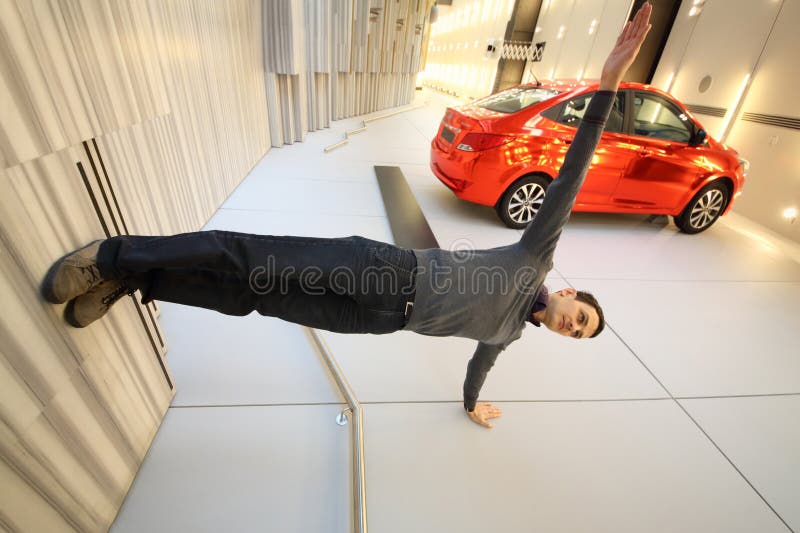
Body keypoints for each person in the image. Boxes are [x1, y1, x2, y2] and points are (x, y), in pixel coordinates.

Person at [41, 3, 652, 429]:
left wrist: (471, 404)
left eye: (578, 334)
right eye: (581, 317)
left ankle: (137, 280)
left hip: (379, 319)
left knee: (252, 297)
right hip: (385, 270)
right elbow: (570, 178)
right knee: (248, 257)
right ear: (571, 294)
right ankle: (110, 256)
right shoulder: (533, 259)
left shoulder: (509, 335)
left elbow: (480, 363)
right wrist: (606, 87)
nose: (572, 327)